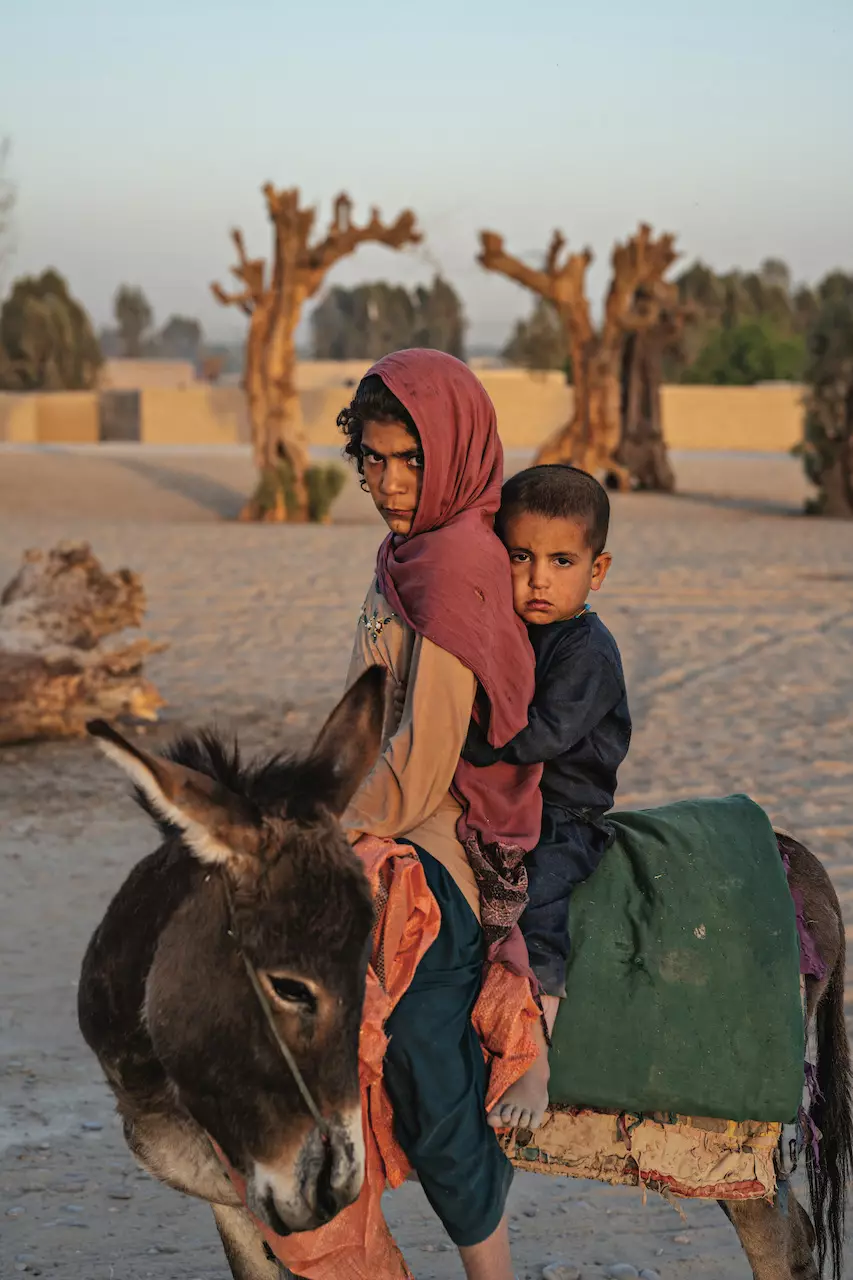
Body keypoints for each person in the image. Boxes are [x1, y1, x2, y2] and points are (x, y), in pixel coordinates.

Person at [337, 349, 543, 1280]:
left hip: (446, 839)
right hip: (387, 814)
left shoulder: (454, 560)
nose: (387, 482)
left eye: (408, 460)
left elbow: (422, 764)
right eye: (373, 459)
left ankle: (489, 1267)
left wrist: (329, 828)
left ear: (453, 451)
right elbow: (363, 713)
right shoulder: (405, 551)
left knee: (418, 1036)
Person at [464, 464, 632, 1132]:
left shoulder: (588, 649)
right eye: (520, 558)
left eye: (561, 561)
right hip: (509, 799)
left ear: (597, 570)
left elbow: (543, 735)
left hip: (564, 812)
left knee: (536, 907)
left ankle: (536, 1060)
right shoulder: (514, 632)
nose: (538, 579)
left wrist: (466, 744)